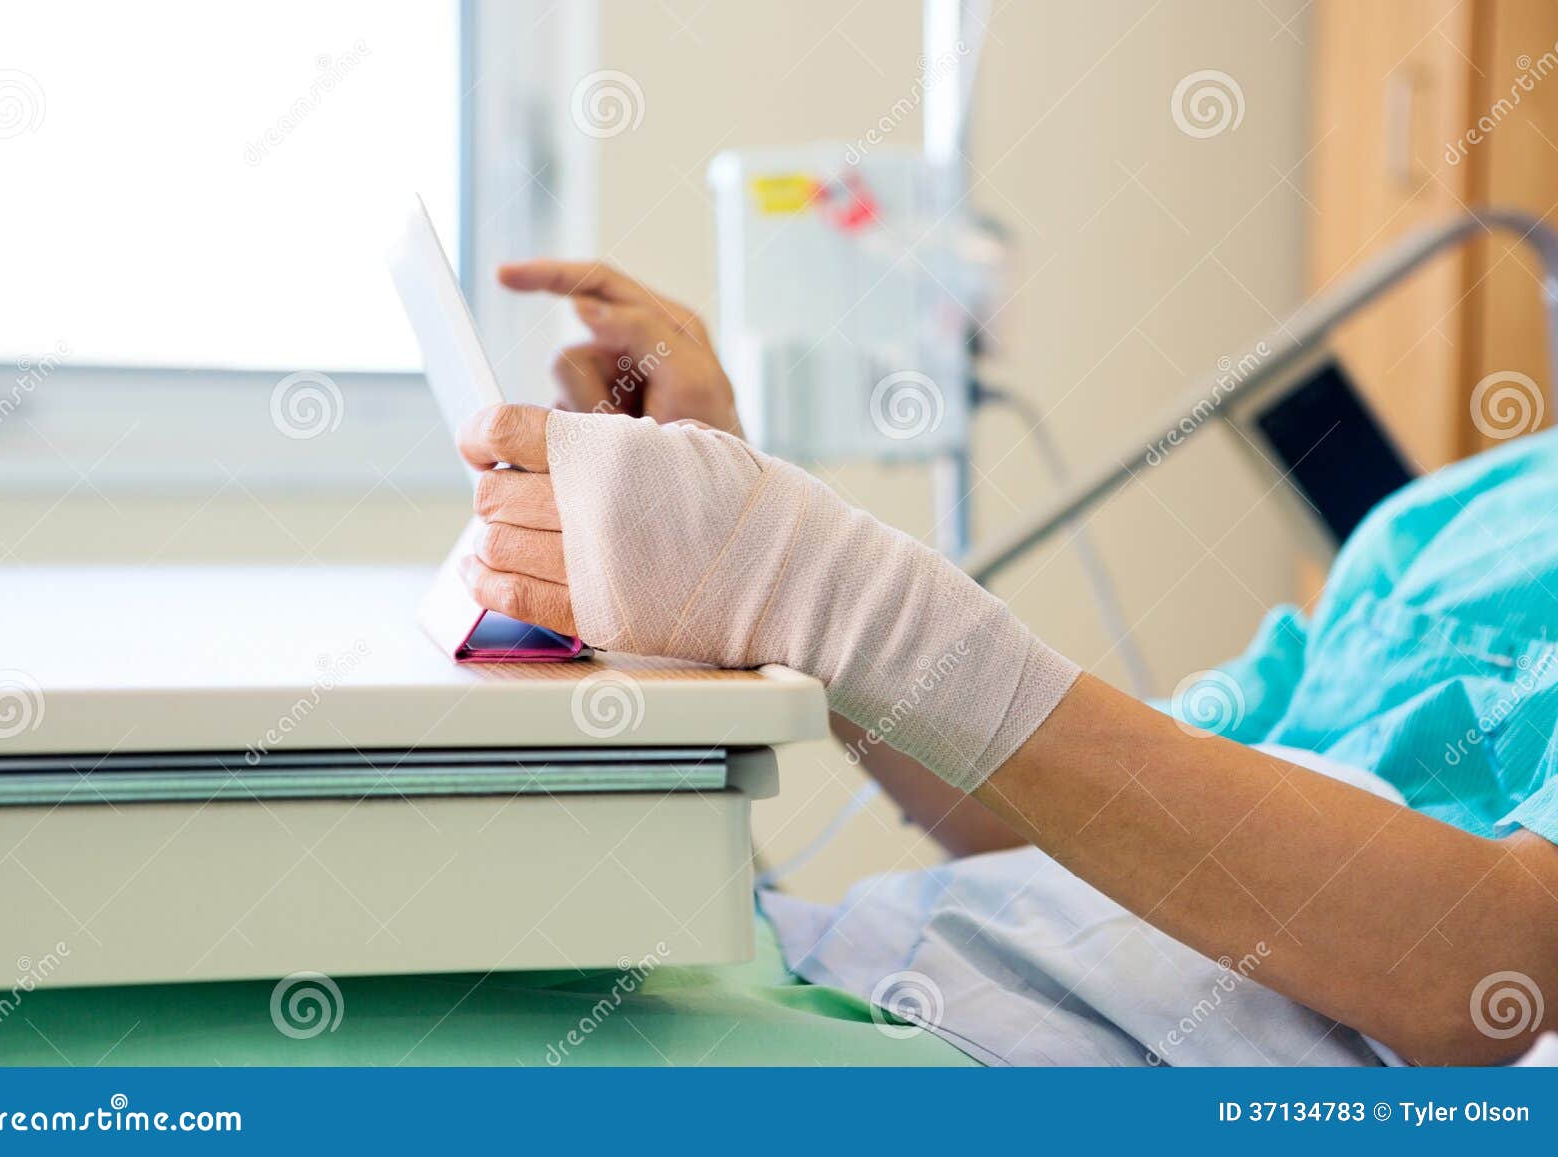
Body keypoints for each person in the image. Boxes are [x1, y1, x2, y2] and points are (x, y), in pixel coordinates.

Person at [456, 258, 1558, 1066]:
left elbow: (1487, 970)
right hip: (866, 968)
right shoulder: (1454, 518)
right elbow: (1049, 814)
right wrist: (736, 546)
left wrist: (804, 578)